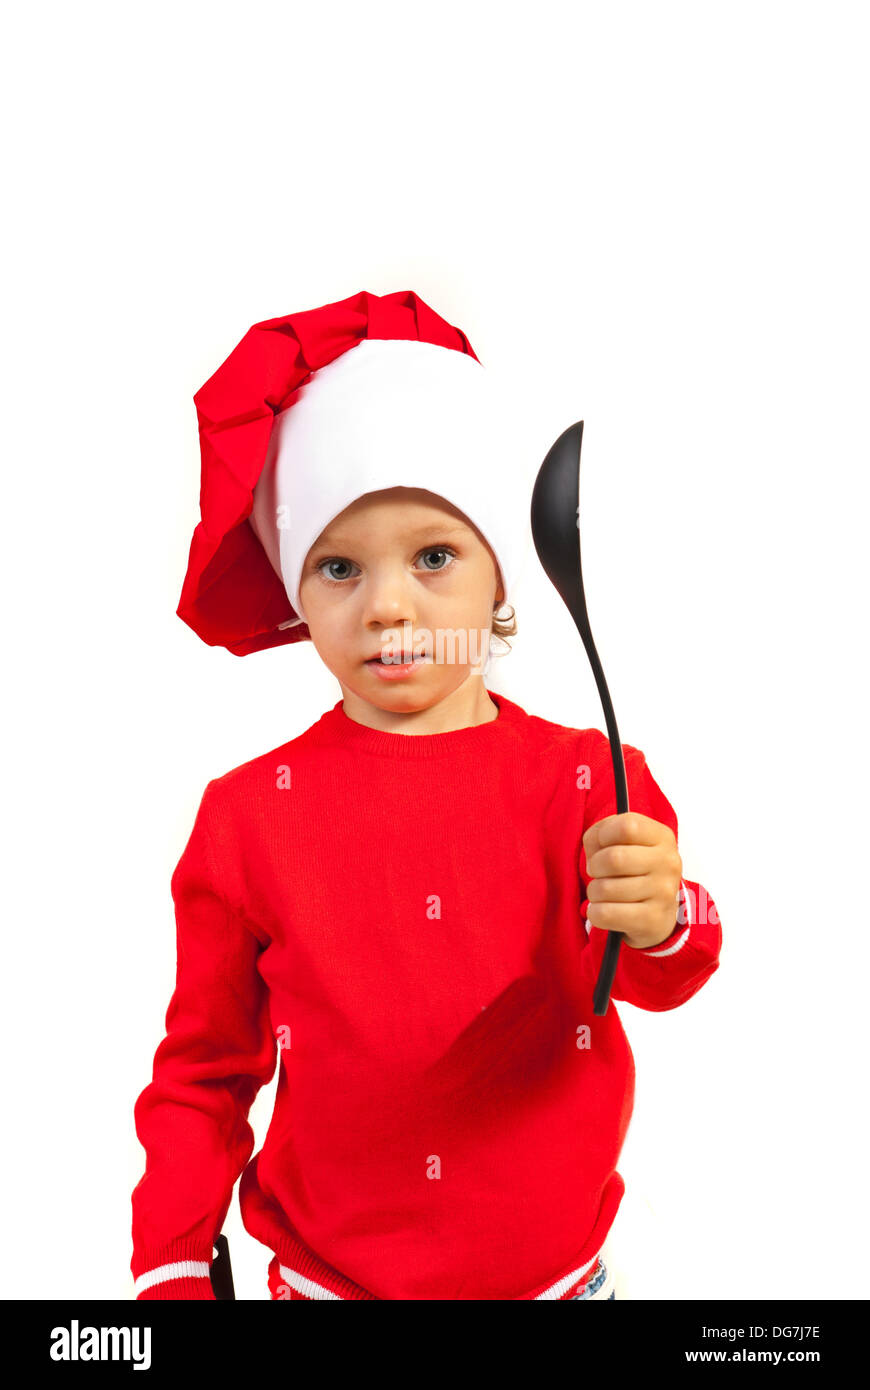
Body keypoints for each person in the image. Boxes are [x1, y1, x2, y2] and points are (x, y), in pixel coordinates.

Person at [130, 289, 721, 1301]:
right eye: (339, 566)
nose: (388, 604)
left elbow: (673, 969)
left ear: (502, 576)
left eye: (434, 555)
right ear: (295, 594)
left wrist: (667, 911)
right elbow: (203, 1072)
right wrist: (172, 1268)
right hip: (328, 1286)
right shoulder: (245, 816)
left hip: (564, 1284)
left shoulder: (589, 776)